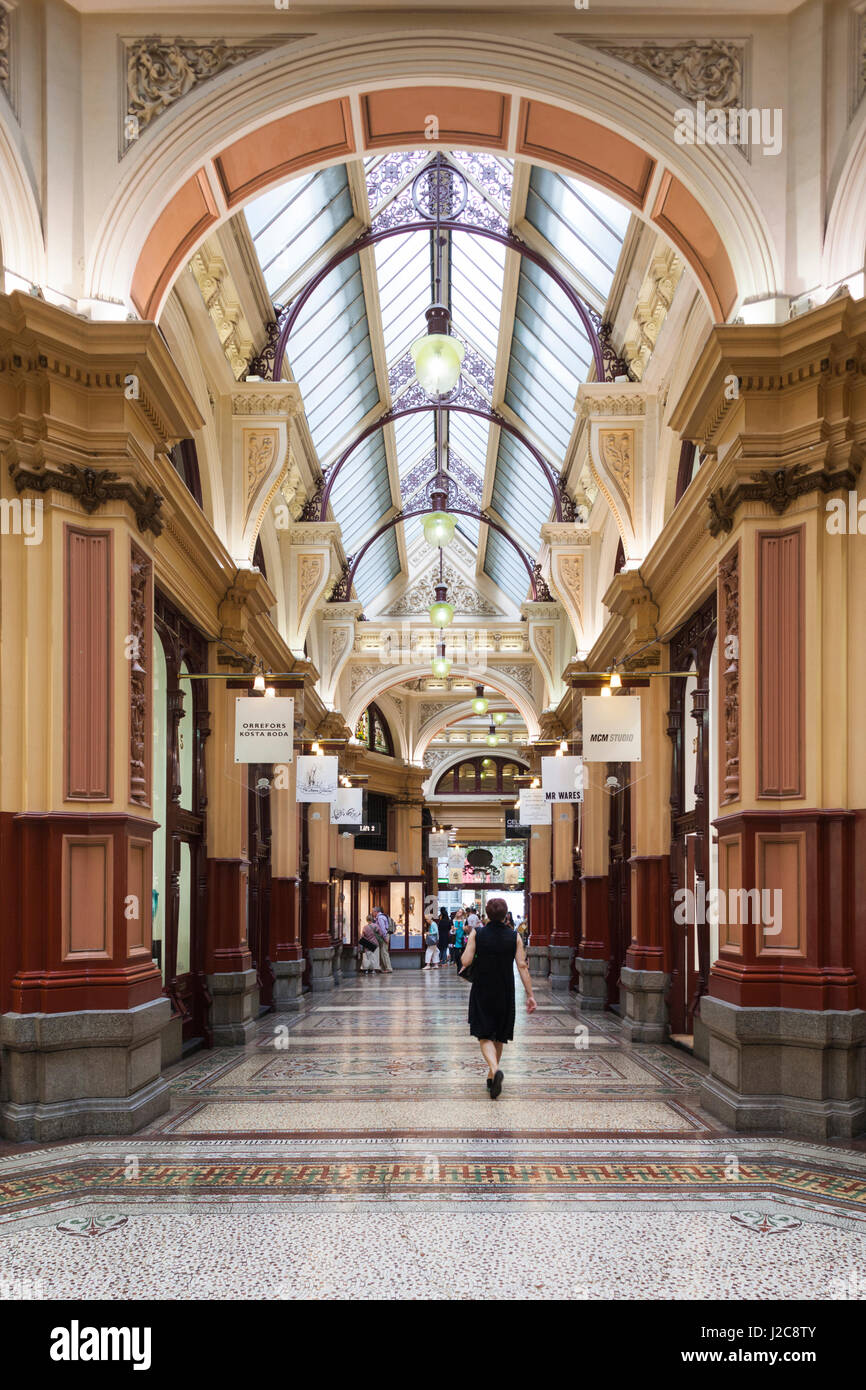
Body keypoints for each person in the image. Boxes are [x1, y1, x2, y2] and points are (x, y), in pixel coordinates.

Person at [459, 895, 536, 1098]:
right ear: (505, 915)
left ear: (487, 913)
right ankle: (492, 1076)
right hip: (505, 989)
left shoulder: (478, 933)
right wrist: (530, 995)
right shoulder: (514, 937)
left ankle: (495, 1069)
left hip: (482, 988)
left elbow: (465, 960)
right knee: (499, 1035)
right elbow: (521, 966)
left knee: (484, 1034)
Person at [374, 904, 393, 974]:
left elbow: (382, 929)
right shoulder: (382, 916)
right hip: (384, 936)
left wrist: (385, 938)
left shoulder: (380, 918)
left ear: (376, 912)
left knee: (384, 952)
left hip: (384, 936)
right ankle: (384, 967)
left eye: (373, 912)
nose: (372, 913)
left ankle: (388, 968)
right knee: (383, 952)